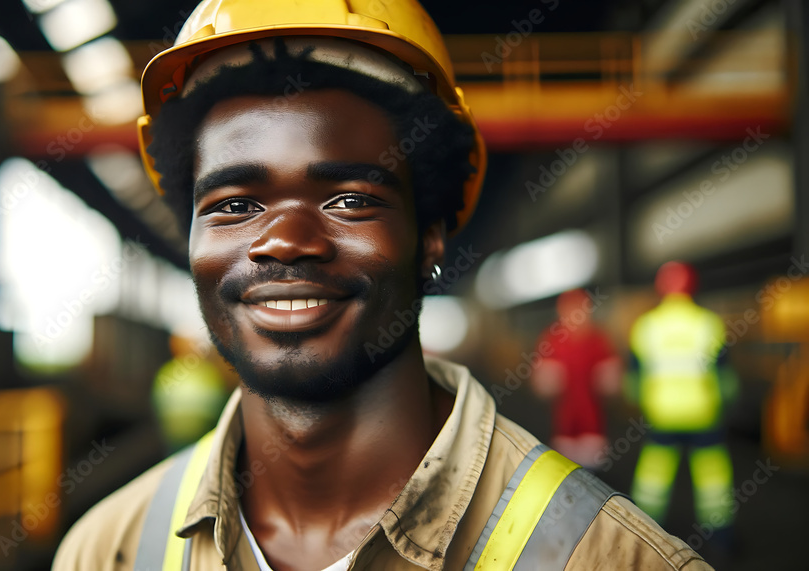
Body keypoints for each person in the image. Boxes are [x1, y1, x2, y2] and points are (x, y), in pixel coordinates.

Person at [54, 1, 712, 569]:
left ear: (430, 235)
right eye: (233, 205)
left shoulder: (614, 557)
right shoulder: (104, 549)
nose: (283, 240)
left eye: (347, 199)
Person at [628, 261, 738, 545]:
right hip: (703, 412)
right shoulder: (708, 323)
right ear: (693, 286)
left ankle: (645, 530)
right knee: (712, 470)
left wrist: (643, 401)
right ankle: (719, 533)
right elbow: (725, 378)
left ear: (660, 288)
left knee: (655, 470)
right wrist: (726, 400)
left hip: (663, 413)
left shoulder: (646, 326)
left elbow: (634, 380)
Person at [532, 289, 621, 470]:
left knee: (592, 481)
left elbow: (612, 385)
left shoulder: (598, 340)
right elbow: (542, 385)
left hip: (593, 426)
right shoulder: (552, 341)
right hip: (563, 427)